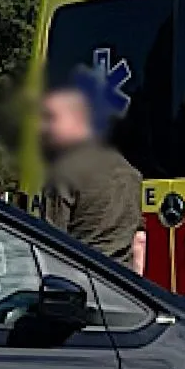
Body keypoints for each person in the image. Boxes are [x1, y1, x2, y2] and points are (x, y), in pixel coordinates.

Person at [36, 83, 145, 271]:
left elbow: (51, 242)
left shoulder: (64, 173)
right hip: (122, 285)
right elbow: (139, 242)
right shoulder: (131, 173)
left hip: (82, 280)